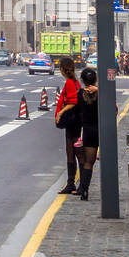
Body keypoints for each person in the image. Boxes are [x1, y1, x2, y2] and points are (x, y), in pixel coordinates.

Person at [54, 56, 83, 194]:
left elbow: (73, 102)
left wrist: (60, 113)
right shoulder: (74, 82)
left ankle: (79, 183)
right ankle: (72, 183)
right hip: (74, 122)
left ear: (62, 69)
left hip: (73, 122)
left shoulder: (70, 83)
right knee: (71, 152)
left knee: (75, 153)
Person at [76, 67, 99, 200]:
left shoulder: (80, 94)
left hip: (88, 131)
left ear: (83, 81)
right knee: (108, 161)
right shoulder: (100, 94)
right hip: (103, 130)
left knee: (88, 162)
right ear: (95, 79)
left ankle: (84, 190)